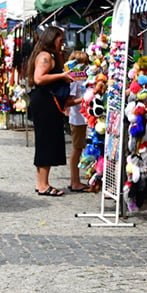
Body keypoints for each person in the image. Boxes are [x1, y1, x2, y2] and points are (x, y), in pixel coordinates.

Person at [27, 26, 72, 196]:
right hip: (45, 102)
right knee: (46, 142)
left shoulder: (49, 55)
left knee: (45, 141)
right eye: (60, 39)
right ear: (52, 39)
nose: (63, 43)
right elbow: (39, 78)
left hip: (45, 101)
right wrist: (61, 76)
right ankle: (43, 185)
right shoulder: (45, 56)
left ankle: (42, 183)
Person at [65, 49, 90, 192]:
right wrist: (86, 98)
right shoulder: (73, 80)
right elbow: (69, 102)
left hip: (85, 118)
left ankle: (79, 179)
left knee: (82, 148)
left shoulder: (84, 78)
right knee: (77, 149)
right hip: (78, 118)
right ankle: (75, 181)